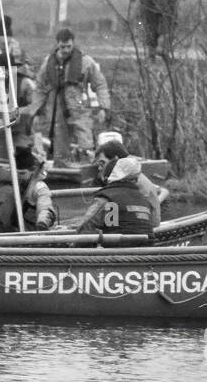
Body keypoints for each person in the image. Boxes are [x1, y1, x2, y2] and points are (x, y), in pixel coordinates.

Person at [27, 28, 111, 163]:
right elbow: (40, 88)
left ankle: (88, 169)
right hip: (56, 112)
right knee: (60, 151)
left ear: (73, 43)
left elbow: (100, 84)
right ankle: (63, 175)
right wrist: (35, 112)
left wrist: (103, 107)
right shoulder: (48, 63)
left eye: (69, 46)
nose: (66, 50)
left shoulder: (86, 62)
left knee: (86, 146)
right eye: (62, 47)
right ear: (57, 45)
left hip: (79, 109)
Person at [93, 140, 164, 227]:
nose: (100, 168)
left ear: (115, 160)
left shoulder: (129, 183)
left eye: (102, 163)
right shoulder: (134, 178)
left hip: (141, 230)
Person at [78, 156, 154, 235]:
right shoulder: (145, 201)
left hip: (115, 246)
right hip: (145, 245)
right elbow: (153, 224)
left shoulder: (105, 199)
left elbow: (85, 228)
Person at [14, 146, 55, 231]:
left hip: (31, 231)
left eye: (22, 173)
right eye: (16, 173)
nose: (18, 177)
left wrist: (42, 222)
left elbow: (45, 206)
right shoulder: (10, 182)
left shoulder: (39, 187)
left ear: (32, 170)